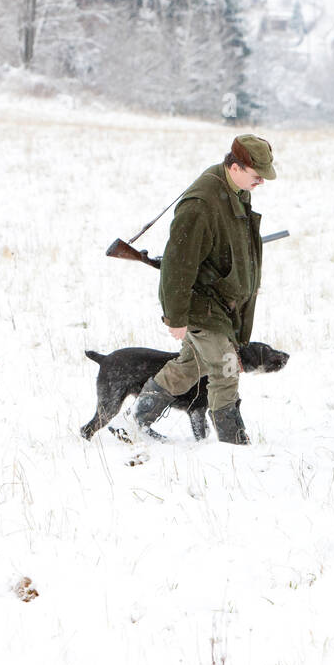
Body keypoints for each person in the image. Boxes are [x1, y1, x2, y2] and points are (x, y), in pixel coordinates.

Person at [132, 135, 276, 445]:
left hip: (221, 304)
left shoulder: (235, 189)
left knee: (191, 366)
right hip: (202, 306)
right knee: (225, 370)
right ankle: (232, 443)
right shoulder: (200, 204)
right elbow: (177, 264)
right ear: (235, 167)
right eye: (256, 176)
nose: (261, 182)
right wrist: (175, 316)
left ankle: (138, 419)